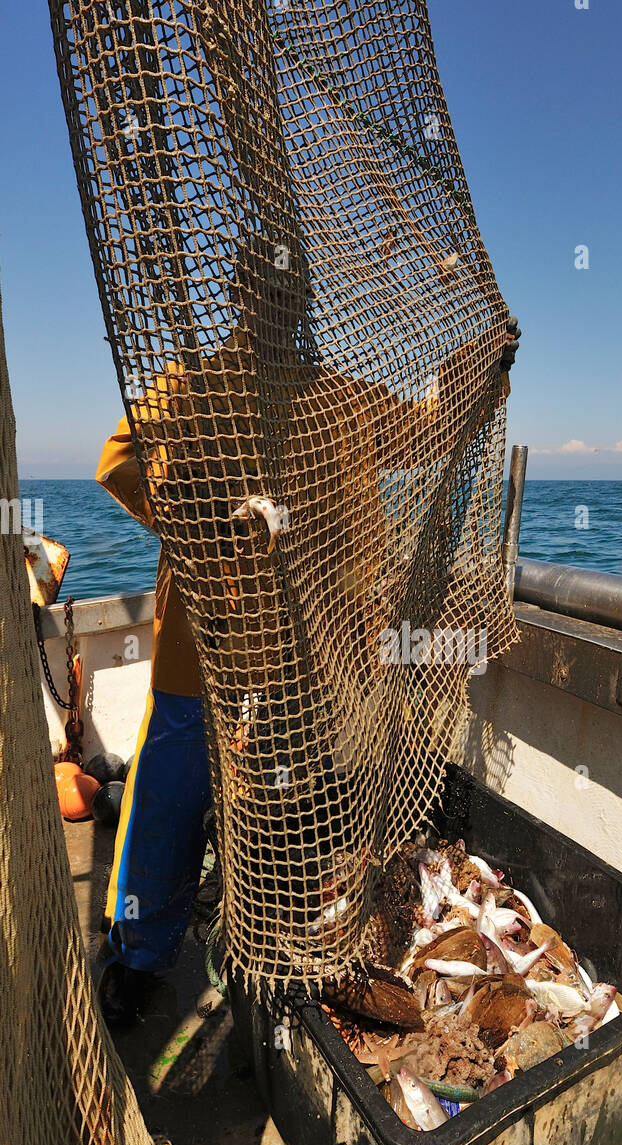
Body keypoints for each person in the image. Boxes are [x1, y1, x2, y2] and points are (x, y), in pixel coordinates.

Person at [96, 244, 519, 1027]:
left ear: (298, 303)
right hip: (208, 645)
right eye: (262, 290)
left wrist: (480, 367)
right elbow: (117, 463)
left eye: (287, 293)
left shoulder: (336, 396)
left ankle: (262, 942)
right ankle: (137, 955)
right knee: (170, 799)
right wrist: (205, 527)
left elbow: (426, 431)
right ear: (239, 294)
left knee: (277, 814)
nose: (274, 307)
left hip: (303, 659)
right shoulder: (193, 384)